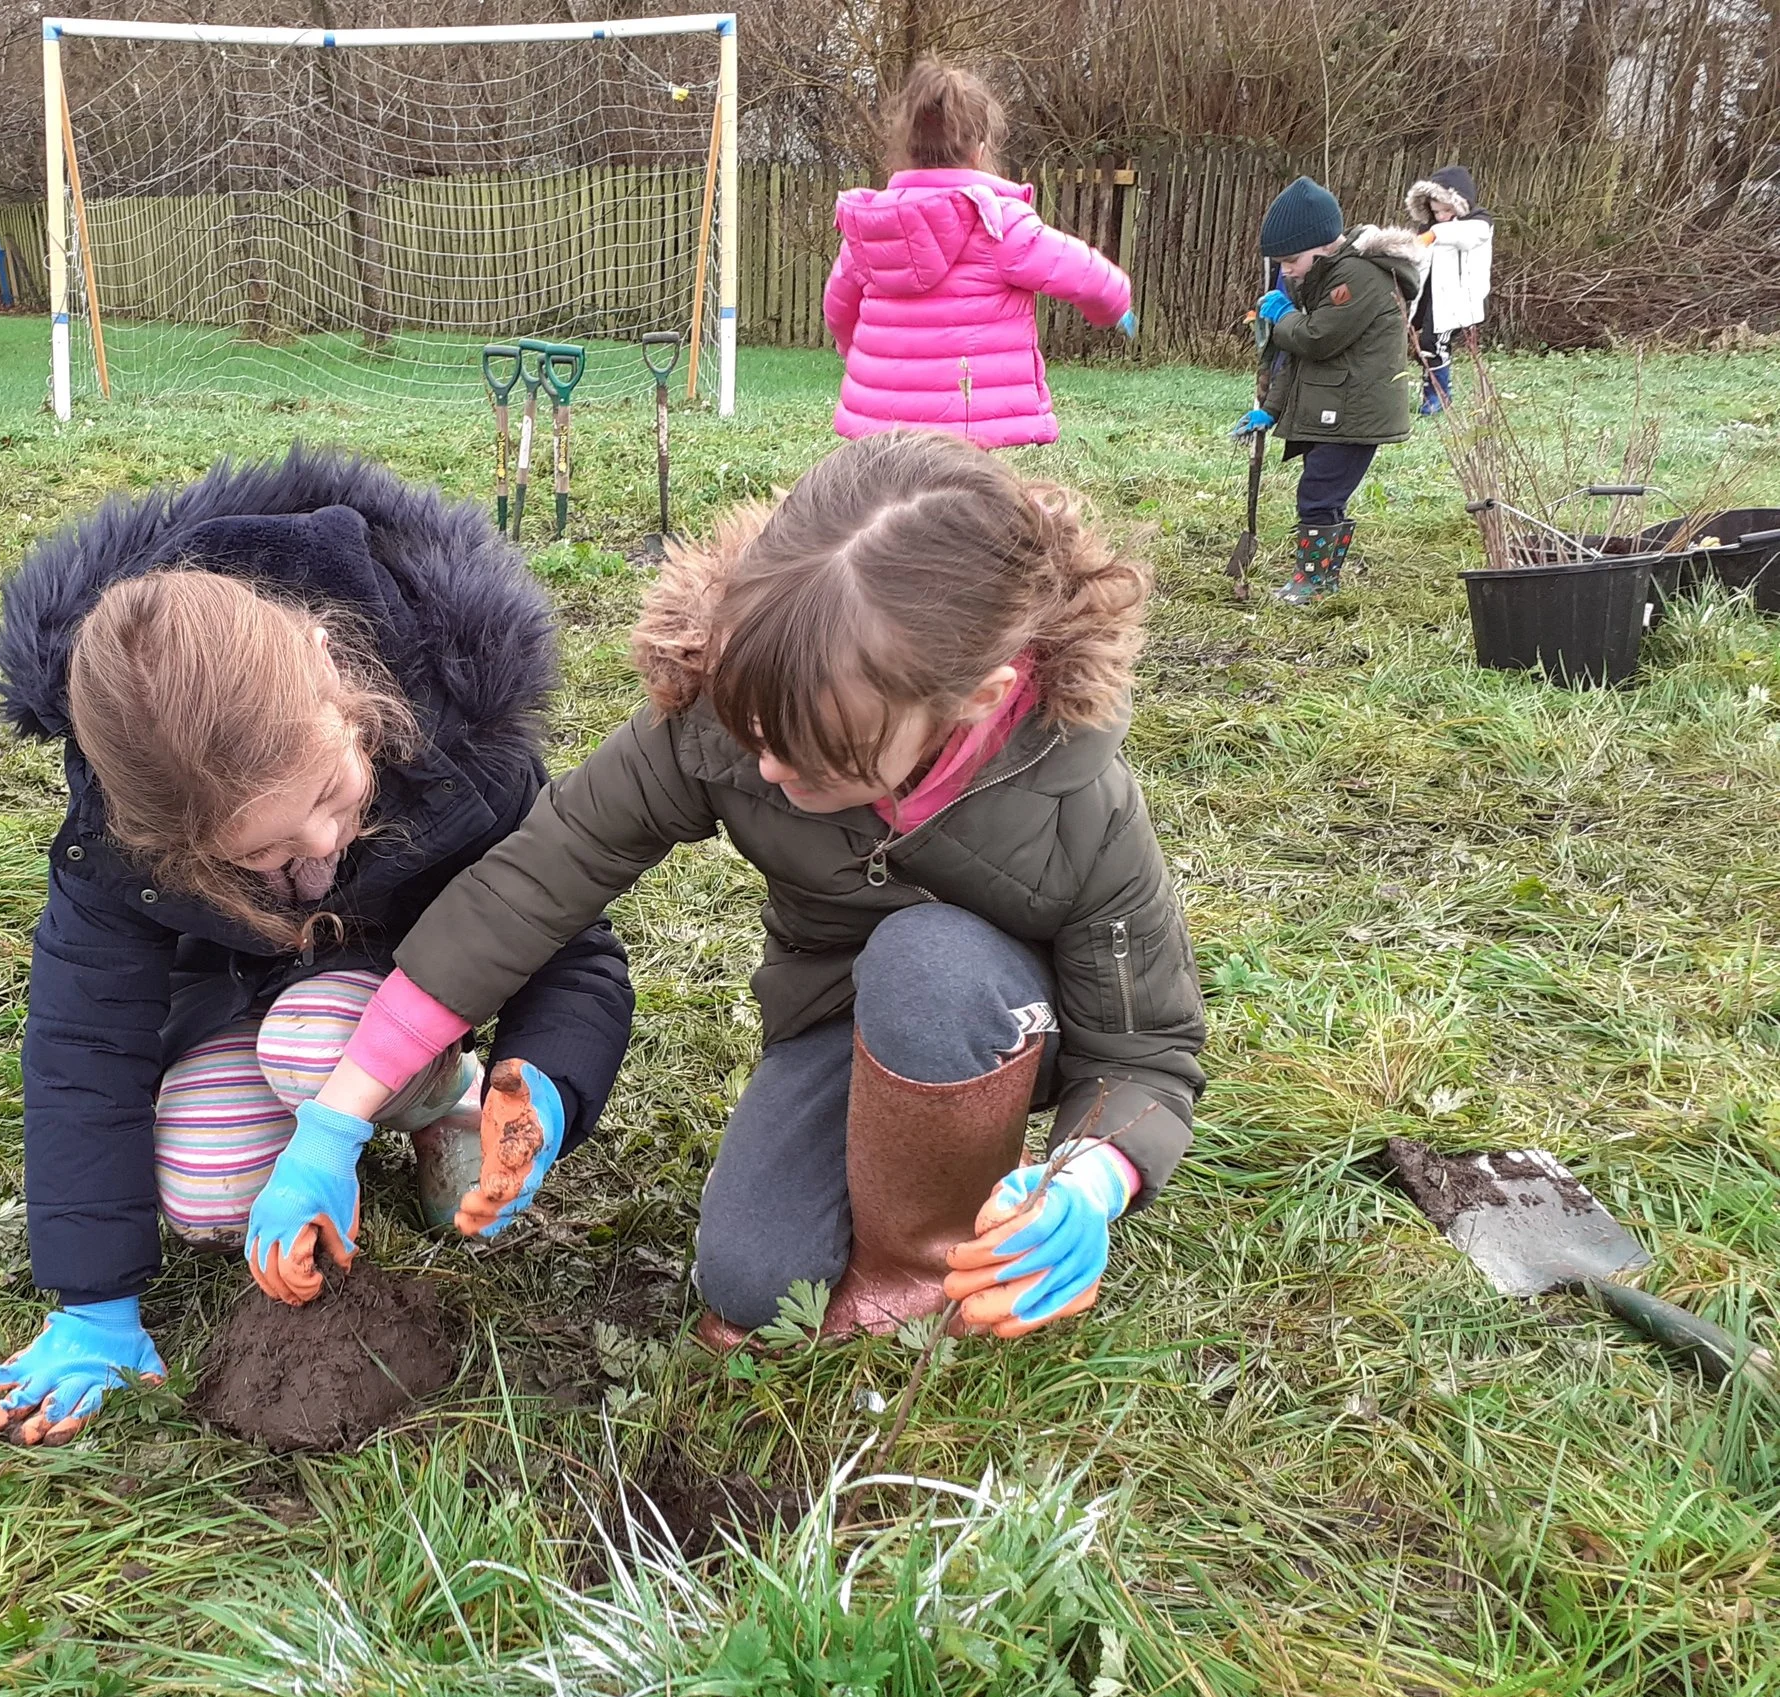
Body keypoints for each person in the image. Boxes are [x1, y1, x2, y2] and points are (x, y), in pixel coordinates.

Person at [244, 430, 1206, 1349]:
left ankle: (925, 1273)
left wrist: (1089, 1181)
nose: (775, 770)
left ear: (977, 698)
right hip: (836, 1016)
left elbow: (1147, 1052)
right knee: (754, 1284)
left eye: (825, 755)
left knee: (932, 961)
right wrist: (333, 1121)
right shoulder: (733, 700)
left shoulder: (1075, 798)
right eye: (758, 736)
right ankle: (867, 1226)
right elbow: (535, 878)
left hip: (995, 1030)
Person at [0, 448, 636, 1443]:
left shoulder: (462, 735)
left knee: (314, 1048)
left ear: (338, 677)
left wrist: (546, 1082)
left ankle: (438, 1100)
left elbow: (571, 944)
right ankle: (314, 1156)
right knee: (203, 1184)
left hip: (392, 993)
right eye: (266, 854)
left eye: (332, 797)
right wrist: (90, 1301)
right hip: (236, 1000)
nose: (322, 846)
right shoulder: (120, 828)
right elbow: (83, 1043)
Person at [823, 59, 1135, 447]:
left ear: (906, 149)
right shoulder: (996, 223)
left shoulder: (874, 226)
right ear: (980, 150)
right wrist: (1115, 307)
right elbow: (1086, 275)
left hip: (883, 427)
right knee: (962, 499)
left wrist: (848, 345)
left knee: (897, 499)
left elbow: (837, 307)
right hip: (967, 423)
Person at [1232, 176, 1424, 603]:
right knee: (1324, 493)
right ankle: (1320, 579)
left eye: (1291, 260)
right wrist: (1271, 409)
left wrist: (1283, 317)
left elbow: (1315, 339)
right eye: (1280, 263)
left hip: (1354, 414)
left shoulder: (1357, 277)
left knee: (1318, 493)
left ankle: (1314, 581)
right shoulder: (1326, 275)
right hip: (1333, 408)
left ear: (1322, 245)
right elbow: (1298, 359)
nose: (1286, 271)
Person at [1405, 165, 1493, 414]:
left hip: (1456, 299)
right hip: (1428, 296)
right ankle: (1429, 390)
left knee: (1434, 343)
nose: (1442, 216)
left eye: (1447, 210)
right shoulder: (1428, 229)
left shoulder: (1478, 223)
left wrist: (1433, 234)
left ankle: (1438, 397)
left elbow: (1462, 235)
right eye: (1436, 211)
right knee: (1422, 343)